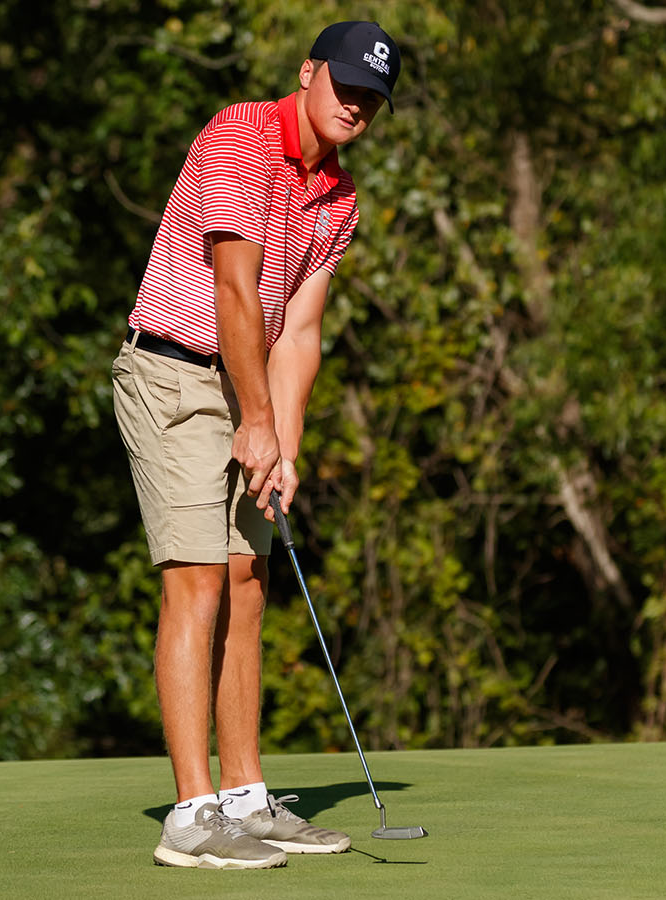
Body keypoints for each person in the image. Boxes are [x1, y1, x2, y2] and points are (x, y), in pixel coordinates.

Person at [110, 21, 402, 870]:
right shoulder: (240, 133)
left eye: (372, 98)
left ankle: (245, 795)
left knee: (249, 580)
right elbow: (236, 291)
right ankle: (192, 817)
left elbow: (299, 330)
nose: (356, 104)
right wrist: (256, 417)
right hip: (173, 374)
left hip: (246, 394)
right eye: (344, 84)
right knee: (197, 581)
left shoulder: (337, 199)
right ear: (308, 73)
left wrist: (287, 437)